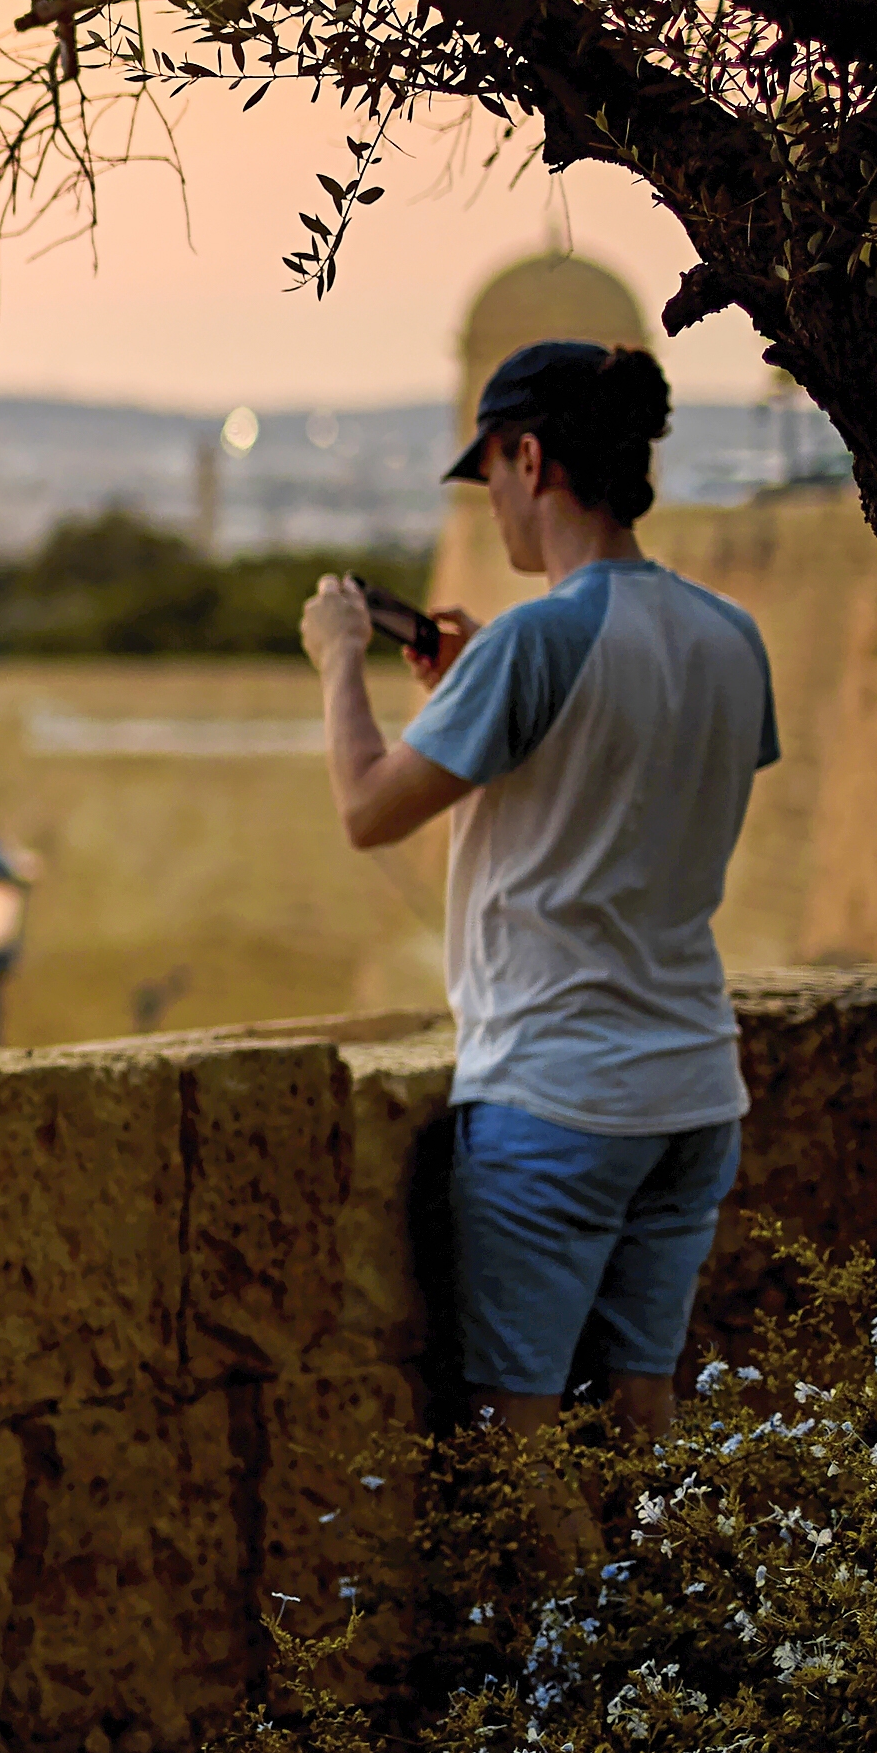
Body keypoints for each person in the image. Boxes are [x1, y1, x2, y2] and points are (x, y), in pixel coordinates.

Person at [304, 338, 774, 1433]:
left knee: (510, 1444)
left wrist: (338, 658)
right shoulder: (730, 636)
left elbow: (368, 808)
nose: (492, 507)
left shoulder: (533, 643)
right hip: (693, 1090)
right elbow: (621, 775)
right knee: (640, 1416)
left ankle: (557, 1573)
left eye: (488, 477)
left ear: (528, 459)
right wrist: (478, 688)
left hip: (557, 1094)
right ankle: (677, 1563)